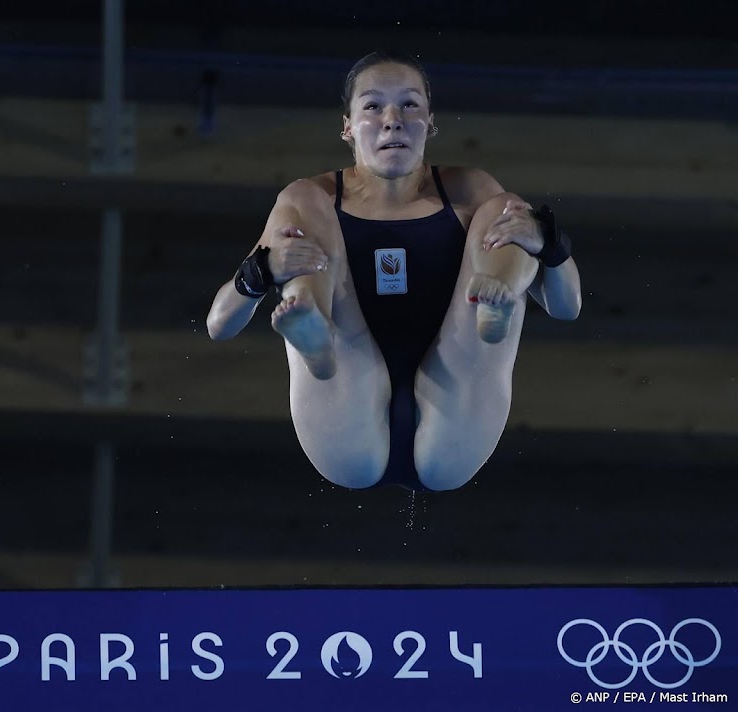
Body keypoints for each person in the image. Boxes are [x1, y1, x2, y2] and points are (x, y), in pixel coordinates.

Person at [205, 50, 582, 492]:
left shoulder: (469, 191)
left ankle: (491, 311)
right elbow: (219, 323)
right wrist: (262, 270)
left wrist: (549, 245)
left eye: (409, 105)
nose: (392, 119)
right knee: (304, 205)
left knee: (506, 210)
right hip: (344, 412)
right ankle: (318, 346)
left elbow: (567, 306)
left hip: (456, 408)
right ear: (347, 126)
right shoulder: (313, 197)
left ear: (430, 122)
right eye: (372, 106)